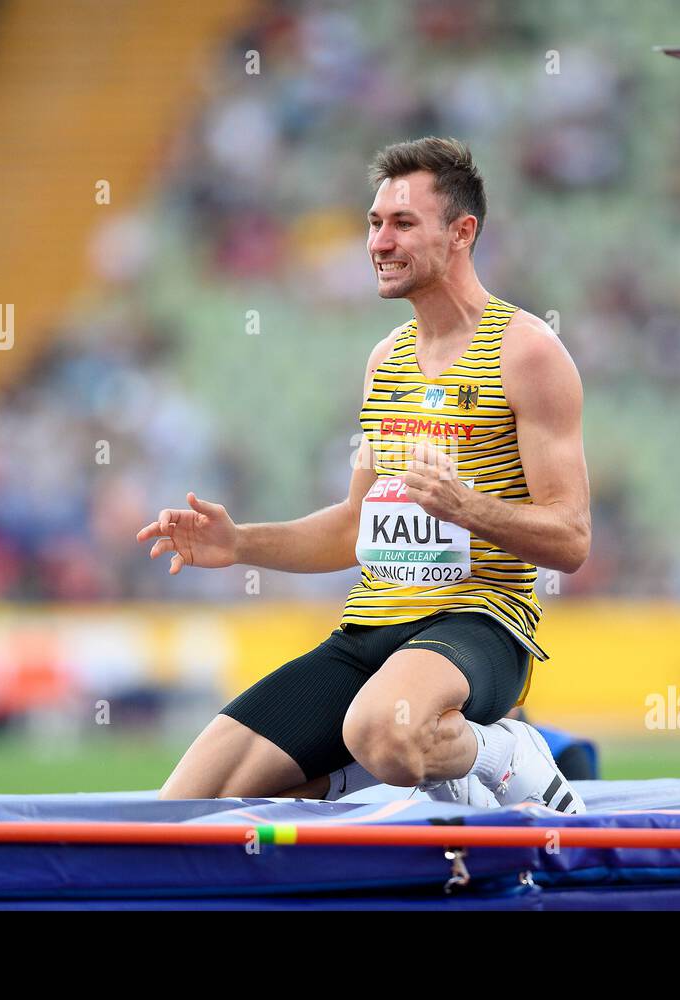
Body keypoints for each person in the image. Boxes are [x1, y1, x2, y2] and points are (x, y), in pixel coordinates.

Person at [138, 137, 592, 811]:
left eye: (403, 223)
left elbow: (573, 538)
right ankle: (377, 768)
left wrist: (465, 506)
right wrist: (239, 545)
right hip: (372, 630)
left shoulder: (527, 352)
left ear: (462, 232)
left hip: (480, 625)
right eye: (375, 223)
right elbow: (356, 527)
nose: (379, 241)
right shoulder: (388, 360)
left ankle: (506, 753)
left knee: (382, 728)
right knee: (188, 802)